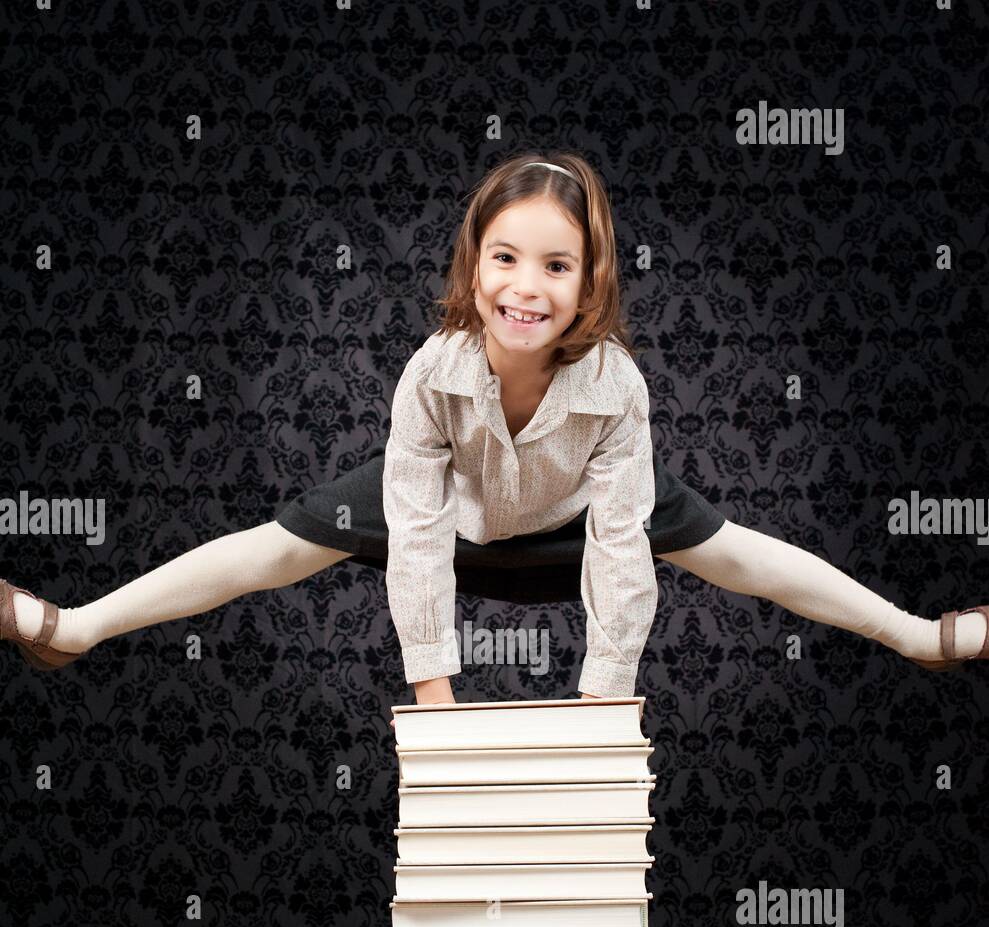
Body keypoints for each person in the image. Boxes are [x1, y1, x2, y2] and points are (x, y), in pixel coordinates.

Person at [2, 151, 987, 694]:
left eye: (556, 267)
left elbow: (618, 561)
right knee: (272, 548)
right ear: (473, 267)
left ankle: (913, 635)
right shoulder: (432, 375)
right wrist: (433, 693)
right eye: (505, 259)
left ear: (587, 282)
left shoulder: (613, 387)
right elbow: (419, 546)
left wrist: (601, 701)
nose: (526, 286)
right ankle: (74, 626)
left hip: (578, 521)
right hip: (450, 512)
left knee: (734, 552)